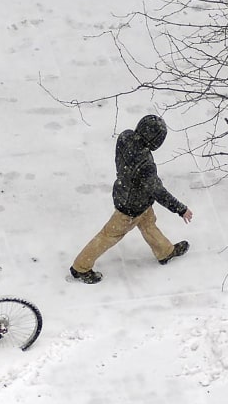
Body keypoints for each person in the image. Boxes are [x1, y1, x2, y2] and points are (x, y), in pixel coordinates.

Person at [69, 114, 193, 284]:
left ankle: (165, 251)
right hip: (132, 207)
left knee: (148, 223)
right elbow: (158, 191)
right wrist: (180, 209)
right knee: (108, 235)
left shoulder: (125, 137)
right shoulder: (146, 164)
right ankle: (80, 267)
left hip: (124, 192)